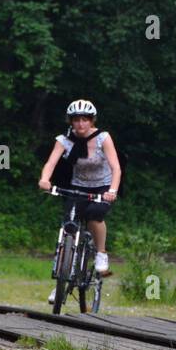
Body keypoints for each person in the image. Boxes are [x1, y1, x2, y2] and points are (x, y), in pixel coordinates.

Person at [38, 99, 121, 302]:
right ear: (71, 121)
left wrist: (112, 190)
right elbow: (50, 162)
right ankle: (60, 282)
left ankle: (101, 254)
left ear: (91, 121)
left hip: (102, 186)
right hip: (77, 186)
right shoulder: (64, 139)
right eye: (76, 120)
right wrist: (44, 179)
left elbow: (116, 167)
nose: (81, 124)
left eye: (85, 120)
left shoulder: (103, 138)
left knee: (94, 216)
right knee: (68, 227)